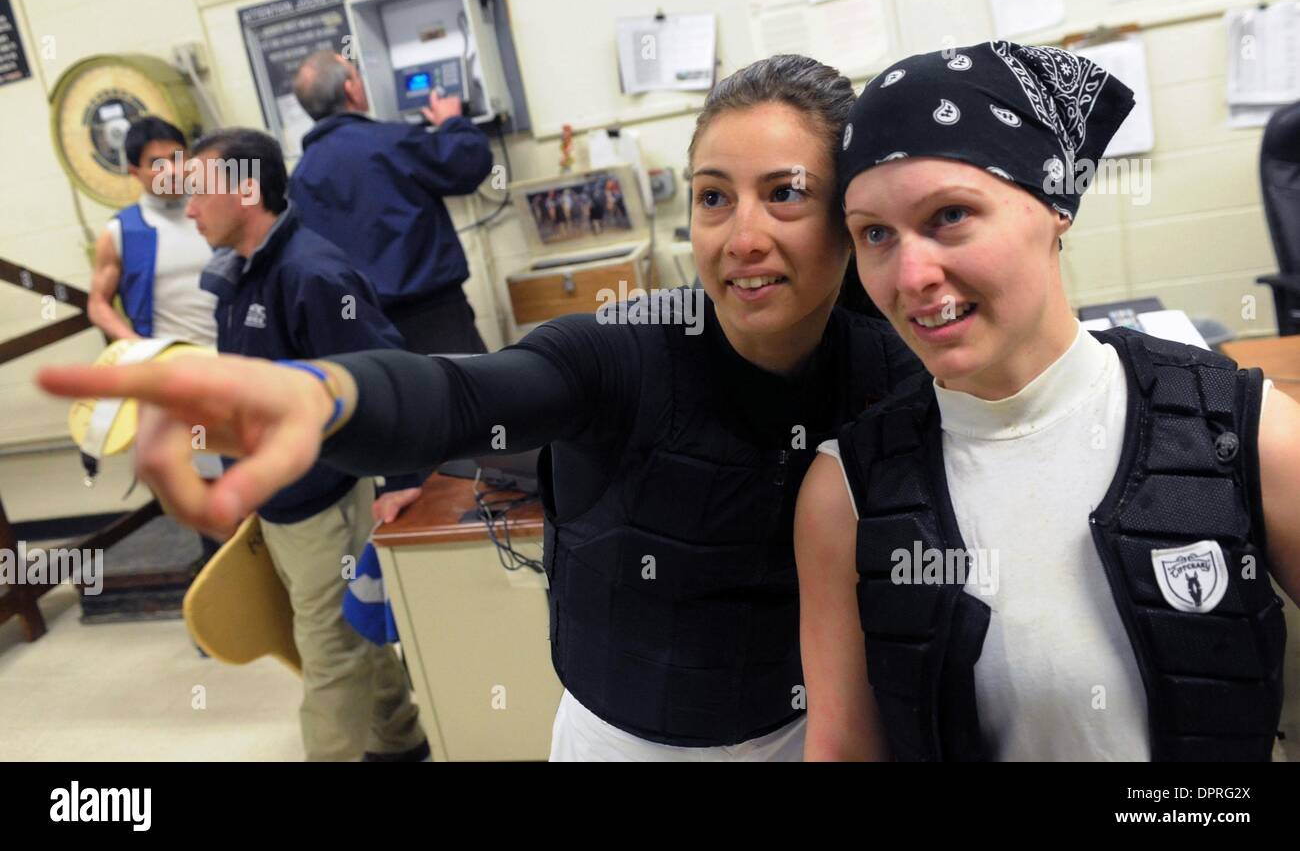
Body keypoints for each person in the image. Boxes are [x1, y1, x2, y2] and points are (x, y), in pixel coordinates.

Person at [38, 55, 923, 762]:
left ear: (847, 215)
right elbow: (462, 392)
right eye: (713, 197)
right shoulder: (628, 352)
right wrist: (323, 392)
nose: (743, 235)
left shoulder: (892, 371)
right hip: (620, 740)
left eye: (786, 193)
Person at [795, 40, 1300, 761]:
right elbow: (844, 748)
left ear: (1054, 204)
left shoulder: (1240, 428)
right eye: (875, 233)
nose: (911, 274)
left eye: (950, 215)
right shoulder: (846, 493)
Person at [181, 127, 429, 762]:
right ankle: (401, 743)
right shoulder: (236, 277)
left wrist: (404, 482)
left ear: (244, 190)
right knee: (348, 642)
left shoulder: (311, 274)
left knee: (330, 658)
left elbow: (387, 374)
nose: (188, 208)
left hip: (326, 504)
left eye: (197, 190)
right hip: (280, 505)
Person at [289, 50, 494, 355]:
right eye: (356, 76)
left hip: (363, 328)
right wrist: (453, 122)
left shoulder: (301, 176)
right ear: (350, 88)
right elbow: (468, 162)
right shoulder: (392, 142)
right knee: (467, 397)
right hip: (436, 315)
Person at [88, 117, 216, 347]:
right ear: (135, 172)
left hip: (238, 356)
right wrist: (137, 346)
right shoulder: (120, 232)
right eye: (157, 164)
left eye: (177, 159)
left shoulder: (218, 212)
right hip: (170, 364)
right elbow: (98, 304)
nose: (172, 171)